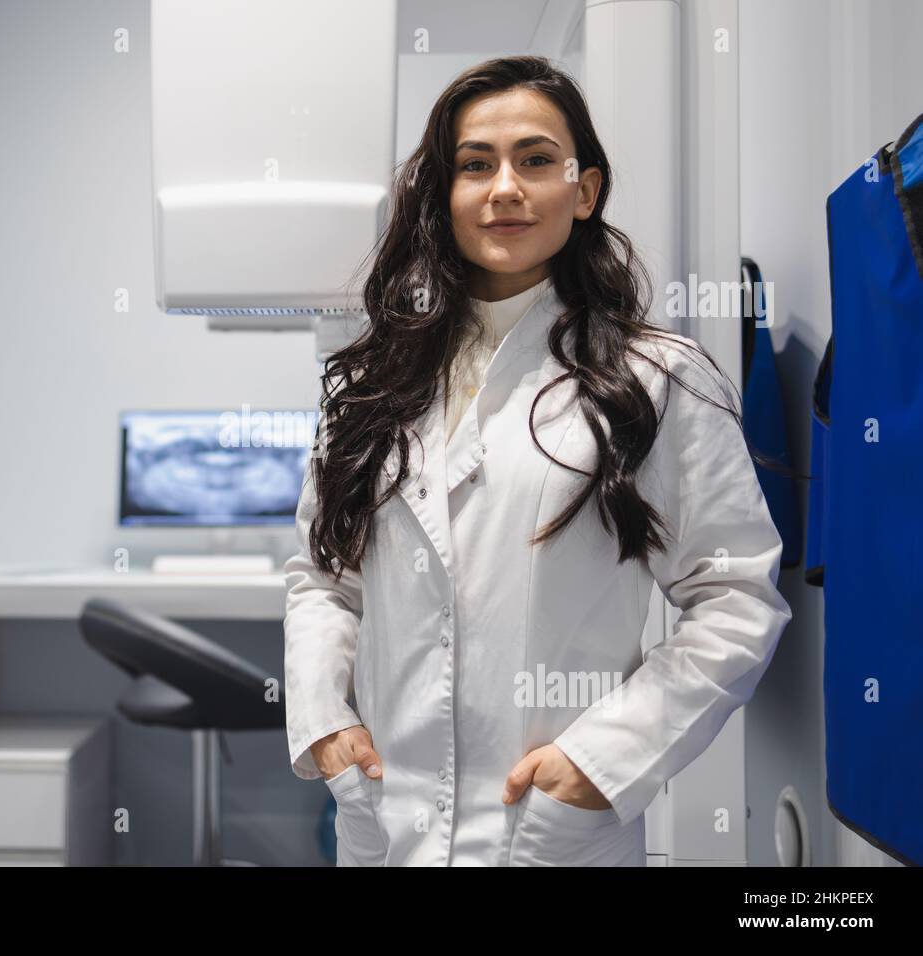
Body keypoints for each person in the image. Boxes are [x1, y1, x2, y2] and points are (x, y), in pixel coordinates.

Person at [282, 56, 793, 866]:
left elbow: (735, 599)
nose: (505, 187)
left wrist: (598, 764)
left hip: (547, 832)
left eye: (536, 160)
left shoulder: (655, 378)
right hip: (385, 825)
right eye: (475, 164)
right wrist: (324, 720)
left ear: (583, 191)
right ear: (441, 195)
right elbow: (322, 579)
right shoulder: (370, 382)